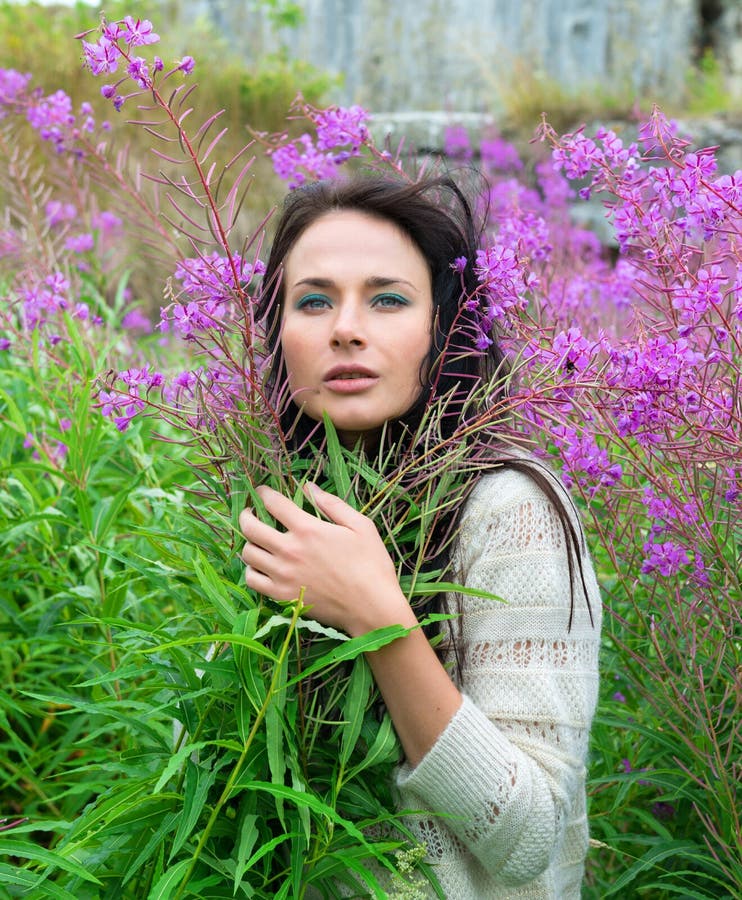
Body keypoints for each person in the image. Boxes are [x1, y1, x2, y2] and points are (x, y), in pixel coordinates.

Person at [238, 175, 602, 898]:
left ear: (447, 327)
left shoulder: (509, 506)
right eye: (312, 300)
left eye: (388, 298)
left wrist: (376, 614)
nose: (345, 326)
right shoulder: (282, 503)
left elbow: (528, 836)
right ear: (278, 332)